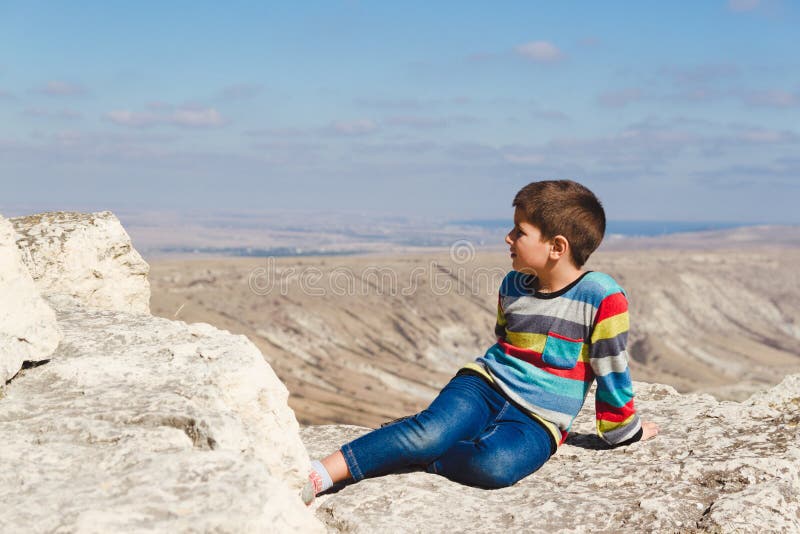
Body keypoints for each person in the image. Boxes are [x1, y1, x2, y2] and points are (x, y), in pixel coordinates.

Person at [301, 179, 659, 504]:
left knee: (495, 467)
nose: (508, 238)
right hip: (483, 386)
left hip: (541, 420)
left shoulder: (602, 297)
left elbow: (611, 368)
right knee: (428, 432)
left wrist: (624, 431)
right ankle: (320, 474)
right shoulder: (513, 285)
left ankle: (417, 453)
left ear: (557, 246)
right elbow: (504, 340)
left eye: (519, 232)